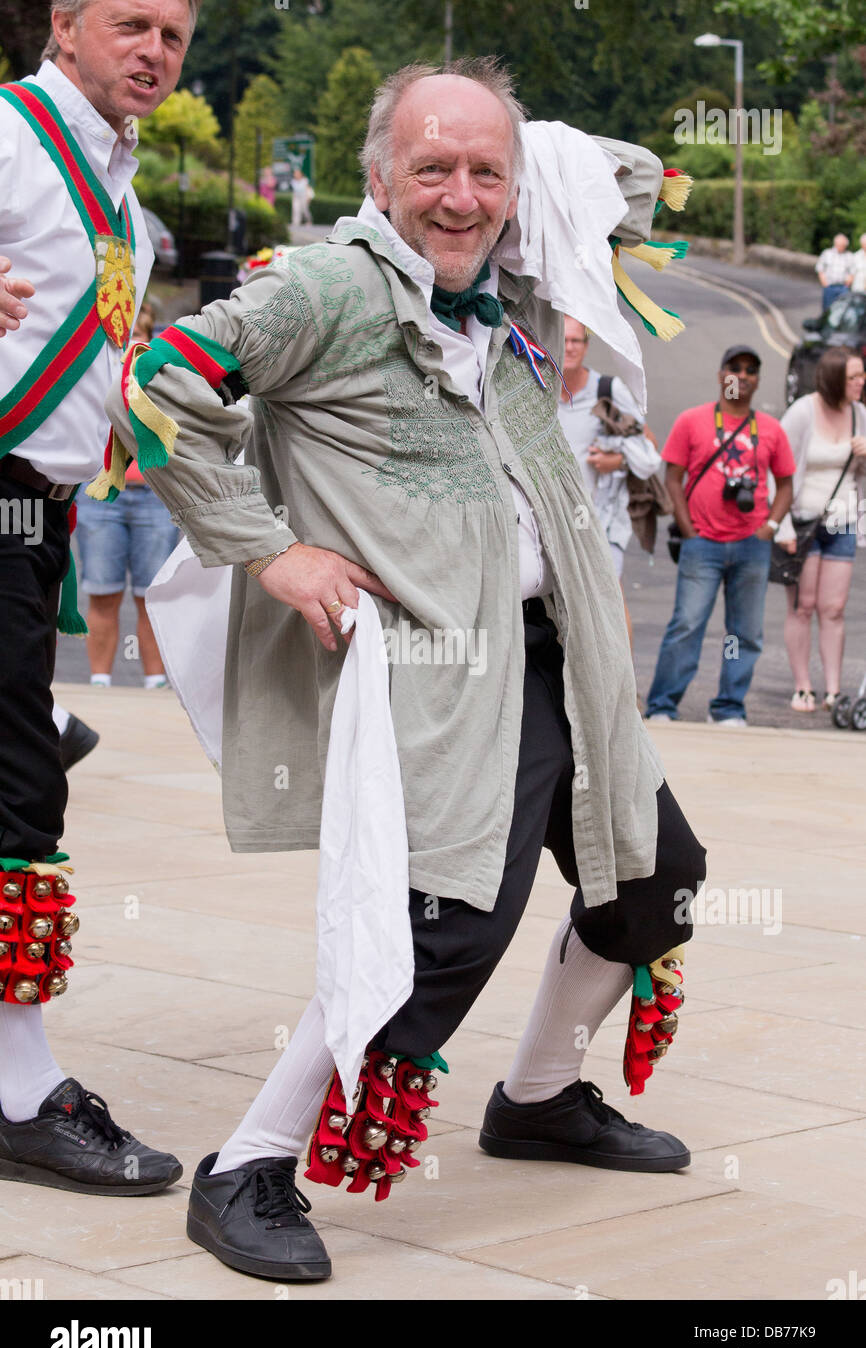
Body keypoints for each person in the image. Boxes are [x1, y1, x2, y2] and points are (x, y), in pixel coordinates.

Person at [105, 59, 706, 1284]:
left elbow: (635, 191)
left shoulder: (515, 276)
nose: (460, 195)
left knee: (652, 879)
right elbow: (154, 387)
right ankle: (247, 1167)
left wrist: (531, 166)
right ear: (377, 177)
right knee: (437, 927)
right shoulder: (324, 287)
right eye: (429, 167)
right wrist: (271, 554)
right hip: (444, 665)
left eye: (487, 171)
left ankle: (537, 1097)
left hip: (562, 653)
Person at [0, 0, 198, 1196]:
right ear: (64, 24)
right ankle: (21, 1093)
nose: (155, 53)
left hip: (41, 518)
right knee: (22, 780)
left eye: (174, 37)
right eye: (131, 24)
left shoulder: (119, 186)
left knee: (23, 760)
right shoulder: (11, 135)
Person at [645, 346, 795, 727]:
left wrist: (770, 528)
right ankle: (663, 704)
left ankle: (729, 707)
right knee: (687, 625)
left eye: (751, 370)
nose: (742, 376)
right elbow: (673, 479)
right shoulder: (692, 421)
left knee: (742, 633)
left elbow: (787, 485)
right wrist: (689, 529)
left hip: (751, 546)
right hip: (703, 544)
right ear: (721, 375)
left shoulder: (772, 430)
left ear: (758, 380)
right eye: (735, 369)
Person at [74, 300, 179, 687]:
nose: (131, 343)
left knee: (151, 598)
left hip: (153, 496)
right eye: (125, 336)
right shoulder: (97, 371)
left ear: (149, 341)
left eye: (139, 336)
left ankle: (155, 684)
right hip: (102, 496)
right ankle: (99, 682)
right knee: (102, 594)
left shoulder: (164, 376)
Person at [557, 314, 663, 648]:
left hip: (604, 519)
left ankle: (625, 690)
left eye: (576, 340)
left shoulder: (609, 390)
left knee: (610, 598)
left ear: (587, 347)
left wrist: (615, 459)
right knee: (561, 605)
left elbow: (648, 445)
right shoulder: (538, 388)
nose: (569, 347)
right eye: (563, 339)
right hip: (558, 518)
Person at [776, 346, 866, 712]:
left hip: (842, 522)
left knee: (833, 608)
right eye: (854, 377)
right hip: (802, 521)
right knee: (803, 606)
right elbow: (776, 469)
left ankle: (832, 689)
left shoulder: (860, 414)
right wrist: (780, 524)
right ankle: (802, 687)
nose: (861, 382)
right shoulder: (802, 412)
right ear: (833, 380)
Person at [815, 233, 855, 312]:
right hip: (830, 286)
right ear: (835, 244)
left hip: (843, 287)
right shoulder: (827, 253)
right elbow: (820, 268)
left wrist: (848, 283)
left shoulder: (849, 255)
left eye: (842, 245)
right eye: (839, 245)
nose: (840, 247)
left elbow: (852, 271)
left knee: (842, 310)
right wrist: (824, 282)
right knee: (827, 309)